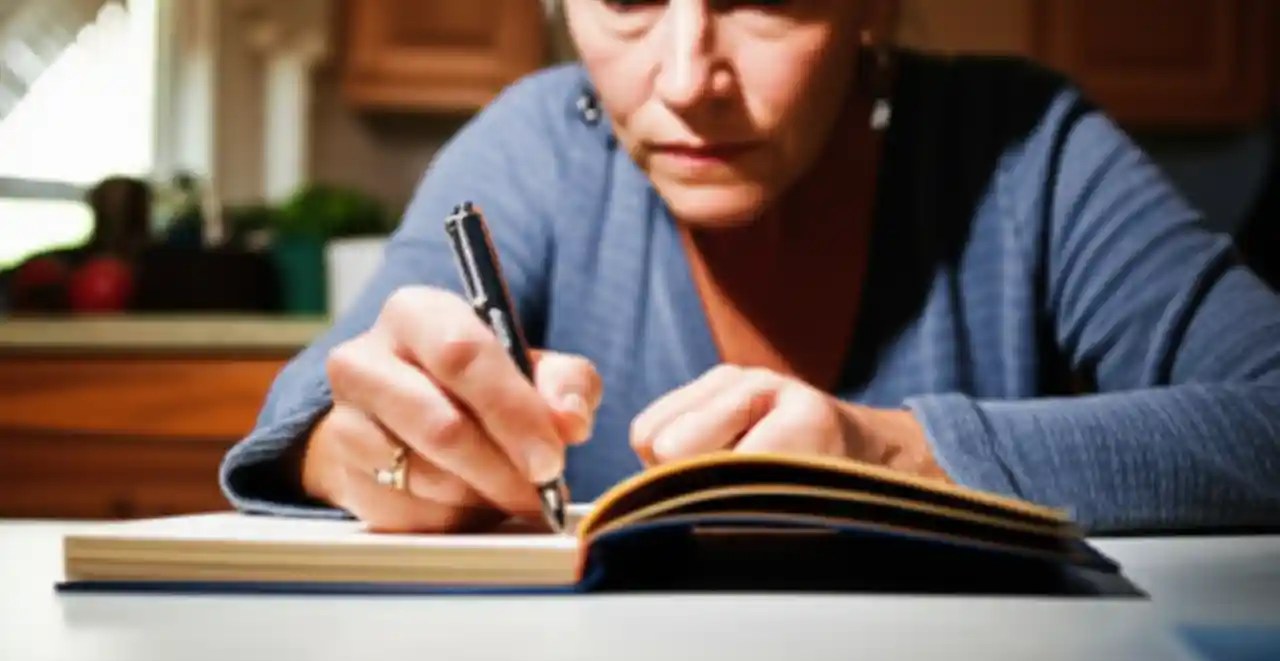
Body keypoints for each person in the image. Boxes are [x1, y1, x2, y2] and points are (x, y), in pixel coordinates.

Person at [220, 0, 1280, 534]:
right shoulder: (542, 144)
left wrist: (887, 455)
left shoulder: (1023, 154)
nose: (685, 79)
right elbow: (328, 387)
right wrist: (350, 446)